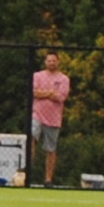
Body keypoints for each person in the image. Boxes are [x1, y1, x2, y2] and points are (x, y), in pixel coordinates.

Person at [31, 51, 71, 188]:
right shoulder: (37, 76)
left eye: (54, 60)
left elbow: (61, 97)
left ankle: (48, 179)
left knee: (50, 149)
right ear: (45, 62)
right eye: (49, 60)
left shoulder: (64, 79)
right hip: (37, 114)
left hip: (54, 118)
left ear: (58, 62)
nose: (51, 63)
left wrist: (44, 94)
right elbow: (34, 92)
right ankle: (27, 172)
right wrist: (50, 93)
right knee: (32, 138)